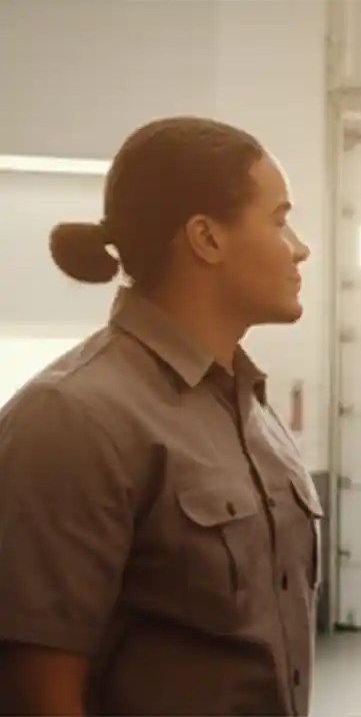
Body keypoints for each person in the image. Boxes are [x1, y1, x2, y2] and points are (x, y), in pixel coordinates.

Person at [0, 116, 322, 715]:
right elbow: (38, 691)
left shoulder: (248, 406)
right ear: (206, 238)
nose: (300, 247)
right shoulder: (74, 418)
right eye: (279, 220)